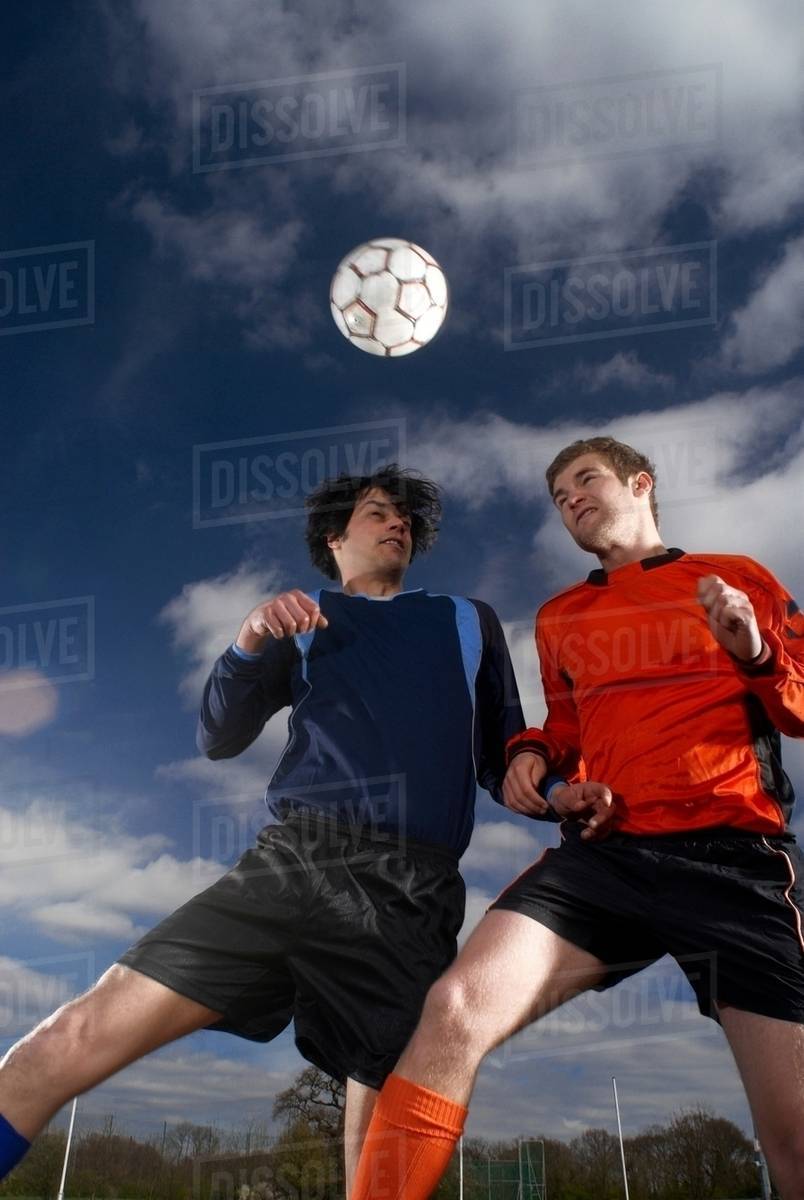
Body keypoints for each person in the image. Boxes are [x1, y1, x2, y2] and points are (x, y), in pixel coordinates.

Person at [0, 463, 532, 1192]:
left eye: (405, 516)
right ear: (333, 537)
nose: (398, 523)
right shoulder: (305, 616)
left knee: (382, 1137)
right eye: (378, 513)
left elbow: (505, 751)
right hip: (294, 864)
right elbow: (218, 738)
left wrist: (555, 787)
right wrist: (248, 641)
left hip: (411, 893)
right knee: (73, 1033)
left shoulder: (468, 619)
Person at [352, 437, 804, 1200]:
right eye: (559, 497)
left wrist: (755, 651)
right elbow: (566, 733)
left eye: (584, 481)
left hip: (734, 862)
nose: (571, 501)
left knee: (791, 1136)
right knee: (455, 1007)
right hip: (606, 858)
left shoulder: (736, 580)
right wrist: (535, 761)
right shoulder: (562, 616)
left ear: (640, 483)